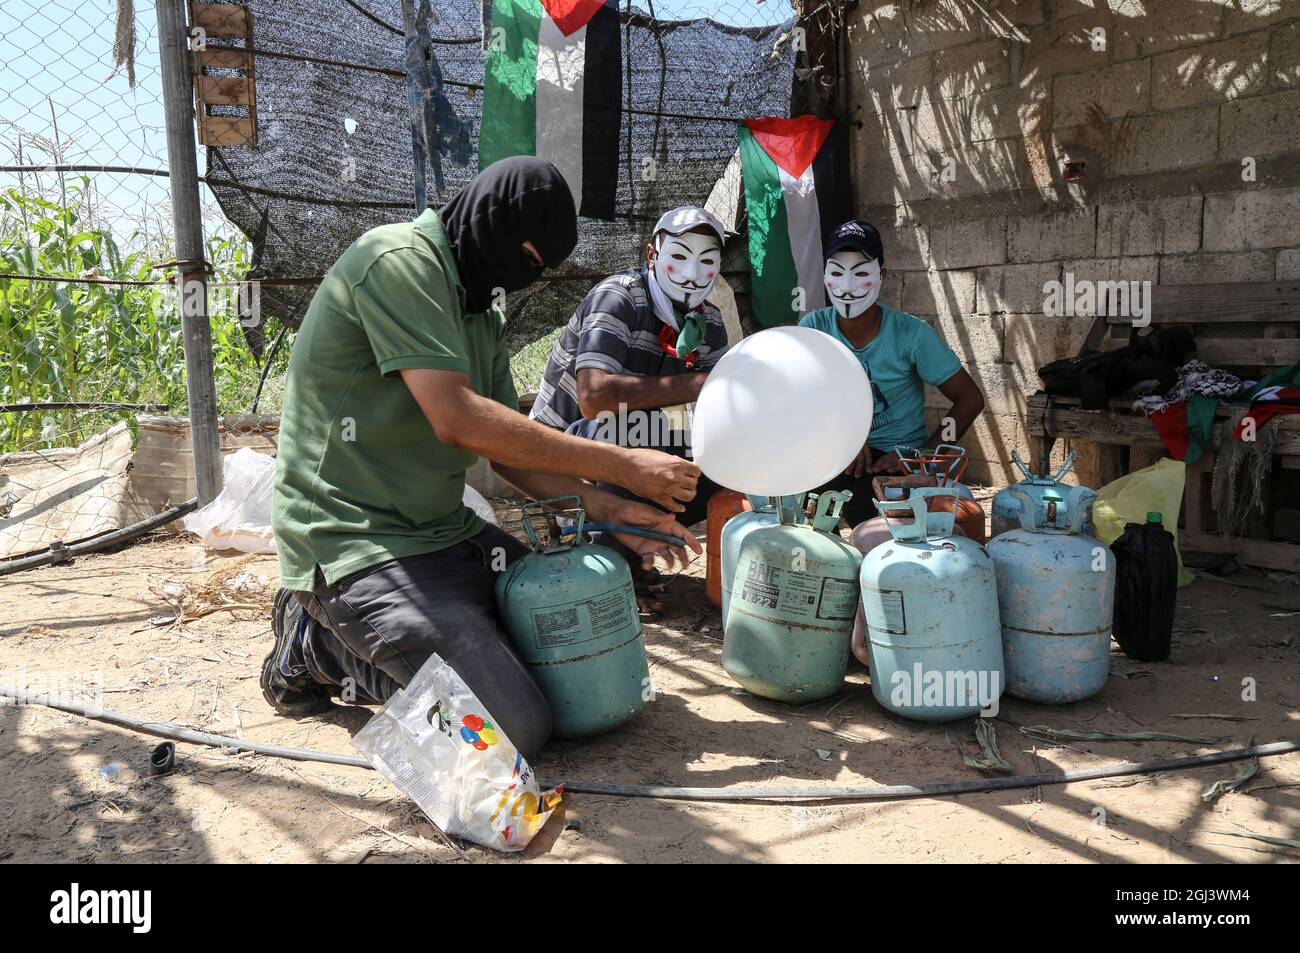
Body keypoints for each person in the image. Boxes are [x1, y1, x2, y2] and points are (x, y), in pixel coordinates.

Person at [263, 158, 702, 758]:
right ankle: (315, 646)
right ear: (486, 219)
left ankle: (397, 647)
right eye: (523, 257)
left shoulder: (479, 307)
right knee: (505, 729)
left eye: (538, 269)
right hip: (355, 542)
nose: (521, 276)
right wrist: (623, 465)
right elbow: (460, 419)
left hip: (444, 533)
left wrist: (610, 510)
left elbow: (506, 450)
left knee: (570, 661)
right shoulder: (399, 262)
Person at [529, 206, 730, 573]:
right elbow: (594, 399)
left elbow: (715, 405)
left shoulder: (710, 321)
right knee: (626, 429)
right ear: (652, 255)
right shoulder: (619, 296)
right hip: (560, 452)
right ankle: (601, 557)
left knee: (717, 453)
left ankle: (641, 550)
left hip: (644, 434)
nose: (692, 274)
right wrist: (699, 383)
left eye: (706, 261)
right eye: (680, 257)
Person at [800, 220, 985, 527]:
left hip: (895, 459)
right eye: (837, 272)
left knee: (881, 532)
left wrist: (922, 455)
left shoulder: (911, 334)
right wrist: (845, 437)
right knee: (803, 520)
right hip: (835, 452)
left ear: (881, 275)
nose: (847, 286)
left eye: (861, 273)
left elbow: (970, 399)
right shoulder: (814, 328)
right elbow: (801, 398)